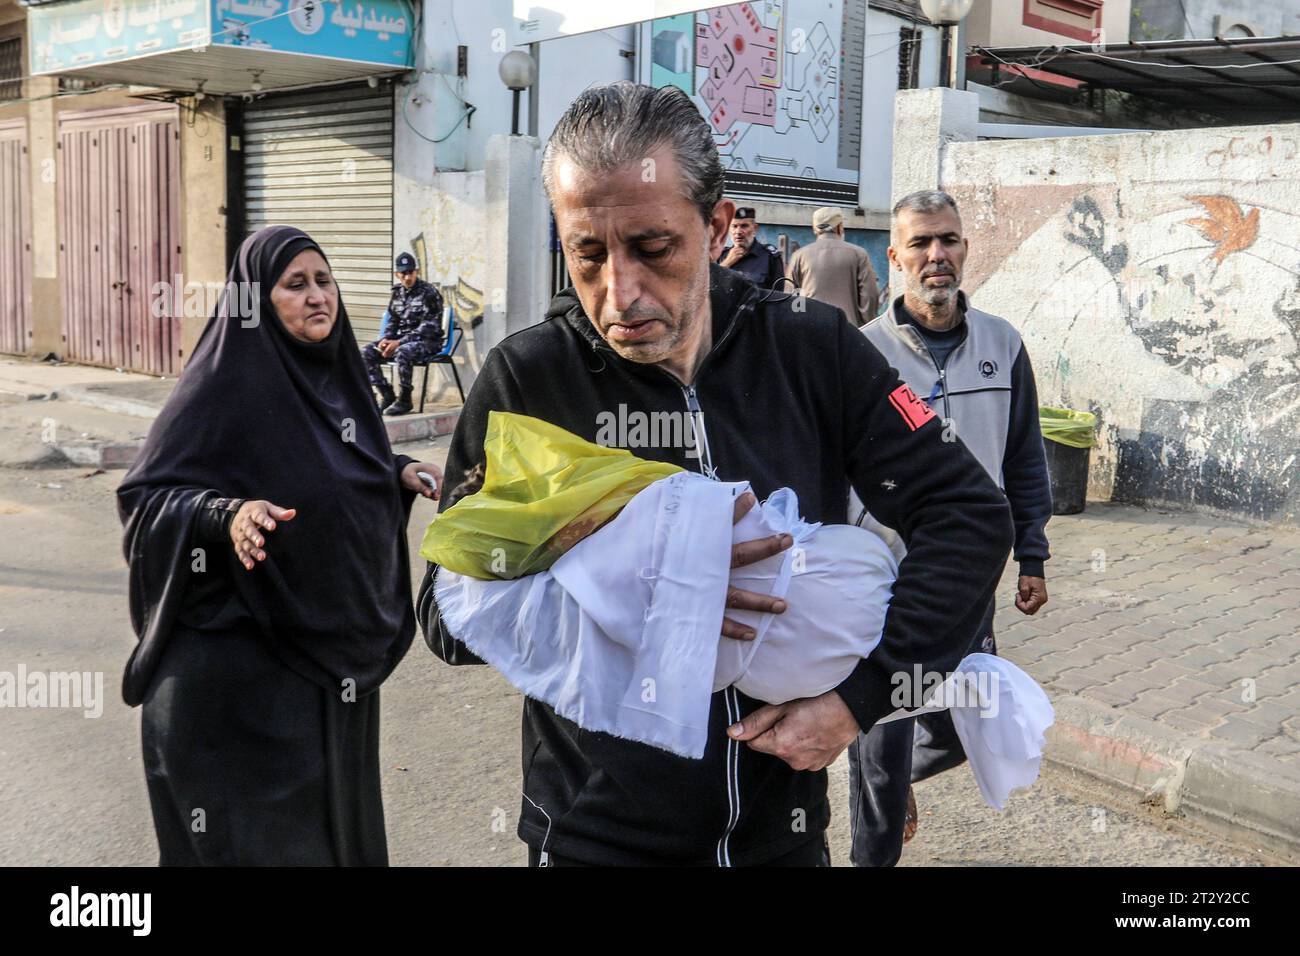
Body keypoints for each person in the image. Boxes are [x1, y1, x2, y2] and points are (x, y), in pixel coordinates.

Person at [416, 81, 1014, 868]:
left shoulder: (812, 349)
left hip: (782, 838)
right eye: (586, 253)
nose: (617, 293)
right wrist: (640, 571)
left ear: (719, 223)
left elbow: (971, 515)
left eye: (653, 248)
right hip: (594, 839)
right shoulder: (529, 378)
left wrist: (859, 701)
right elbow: (445, 611)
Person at [117, 225, 444, 866]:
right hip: (236, 698)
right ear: (257, 300)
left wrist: (392, 470)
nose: (317, 296)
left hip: (319, 679)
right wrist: (223, 515)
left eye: (325, 281)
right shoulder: (223, 386)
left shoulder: (339, 381)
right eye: (295, 285)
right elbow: (145, 498)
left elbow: (326, 463)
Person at [848, 188, 1053, 867]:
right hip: (883, 579)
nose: (937, 255)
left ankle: (890, 777)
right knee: (884, 732)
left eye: (949, 240)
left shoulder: (1004, 344)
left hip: (968, 579)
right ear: (896, 256)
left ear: (965, 249)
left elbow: (1024, 456)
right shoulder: (862, 353)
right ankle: (874, 826)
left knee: (969, 721)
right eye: (921, 243)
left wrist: (1033, 555)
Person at [361, 252, 445, 416]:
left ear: (417, 271)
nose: (407, 277)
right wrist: (385, 340)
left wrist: (398, 343)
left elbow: (430, 327)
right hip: (402, 341)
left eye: (410, 272)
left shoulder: (429, 292)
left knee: (403, 352)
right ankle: (387, 394)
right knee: (365, 353)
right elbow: (392, 320)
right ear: (397, 274)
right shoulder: (397, 293)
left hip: (429, 342)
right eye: (403, 273)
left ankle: (405, 400)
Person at [786, 207, 881, 327]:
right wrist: (866, 324)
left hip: (811, 328)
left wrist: (800, 323)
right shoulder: (859, 254)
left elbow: (793, 295)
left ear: (815, 229)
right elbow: (870, 294)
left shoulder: (799, 256)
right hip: (849, 330)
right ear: (839, 227)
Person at [716, 206, 785, 289]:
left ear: (755, 228)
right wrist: (727, 263)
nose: (738, 232)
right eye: (734, 226)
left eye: (744, 226)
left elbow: (777, 294)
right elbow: (709, 287)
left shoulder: (769, 256)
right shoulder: (720, 255)